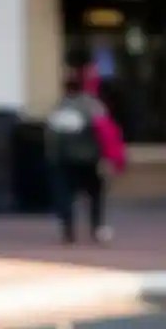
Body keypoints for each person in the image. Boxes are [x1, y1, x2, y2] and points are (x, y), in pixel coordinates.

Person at [46, 61, 123, 245]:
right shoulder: (93, 106)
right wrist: (111, 157)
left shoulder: (60, 107)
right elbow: (106, 133)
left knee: (65, 196)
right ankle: (97, 229)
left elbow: (51, 136)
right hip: (89, 159)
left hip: (64, 160)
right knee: (95, 196)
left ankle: (68, 231)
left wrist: (53, 157)